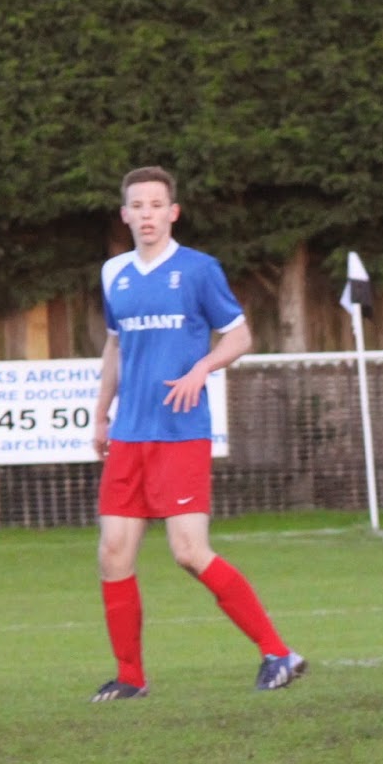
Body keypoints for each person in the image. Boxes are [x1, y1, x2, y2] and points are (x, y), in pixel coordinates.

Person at [89, 166, 305, 703]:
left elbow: (240, 335)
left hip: (181, 433)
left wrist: (200, 369)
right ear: (125, 214)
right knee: (113, 553)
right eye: (136, 205)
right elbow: (114, 348)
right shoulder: (114, 273)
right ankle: (131, 677)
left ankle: (279, 653)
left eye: (156, 205)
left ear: (172, 212)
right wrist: (99, 414)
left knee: (188, 551)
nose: (146, 214)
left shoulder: (198, 270)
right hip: (131, 435)